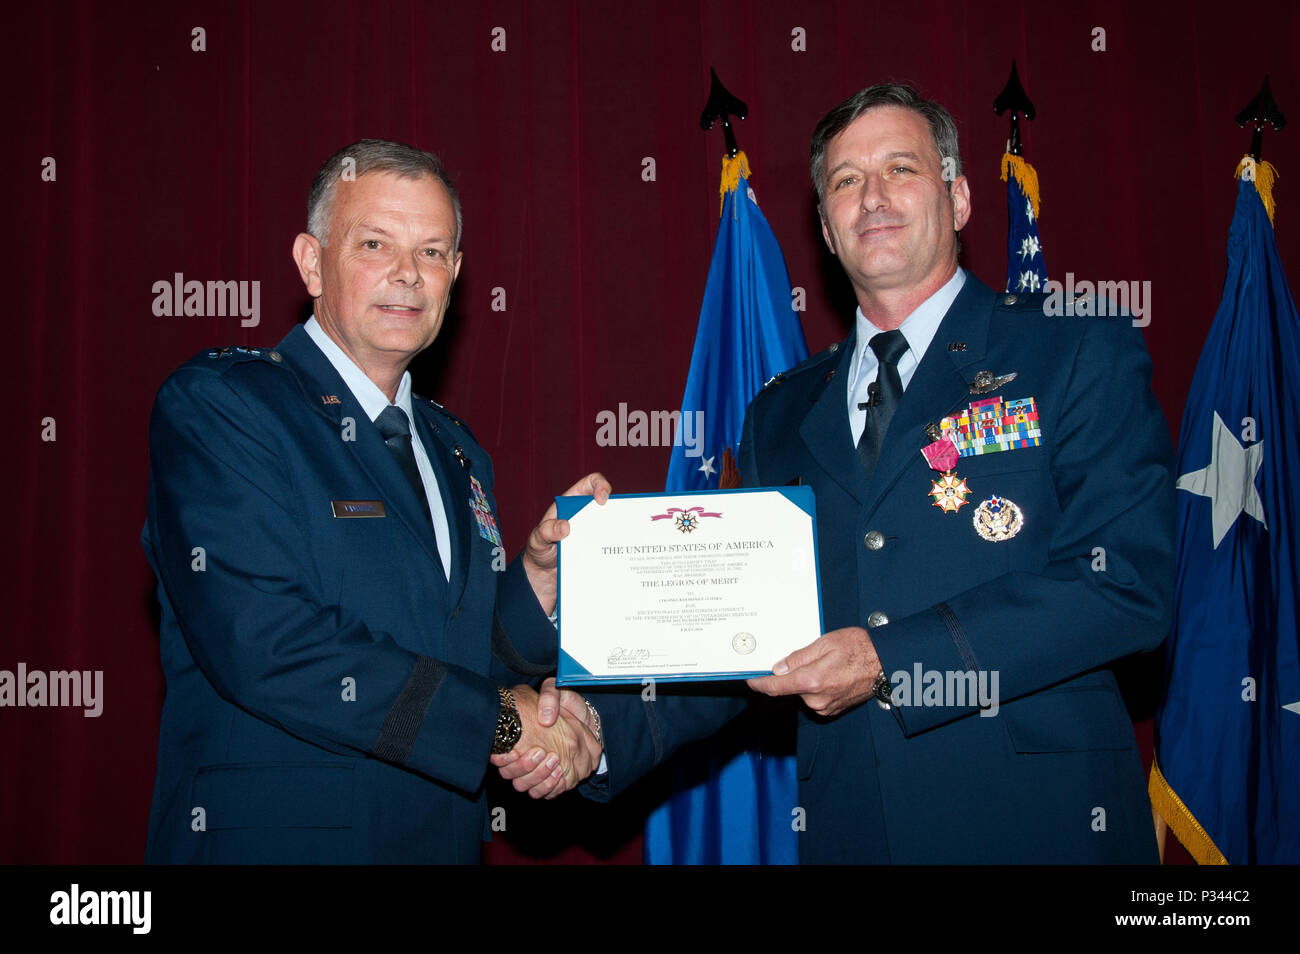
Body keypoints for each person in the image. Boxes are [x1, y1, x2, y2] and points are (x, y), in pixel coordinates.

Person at [499, 84, 1176, 863]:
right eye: (847, 181)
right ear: (824, 226)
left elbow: (1126, 585)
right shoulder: (780, 415)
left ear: (958, 199)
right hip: (852, 830)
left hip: (1042, 828)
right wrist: (597, 736)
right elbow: (740, 637)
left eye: (901, 169)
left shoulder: (1072, 349)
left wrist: (890, 661)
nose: (874, 197)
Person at [143, 139, 605, 864]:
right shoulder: (226, 406)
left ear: (454, 276)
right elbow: (268, 643)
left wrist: (536, 586)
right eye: (374, 243)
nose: (406, 274)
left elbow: (452, 649)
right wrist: (502, 727)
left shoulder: (457, 451)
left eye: (431, 252)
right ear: (309, 261)